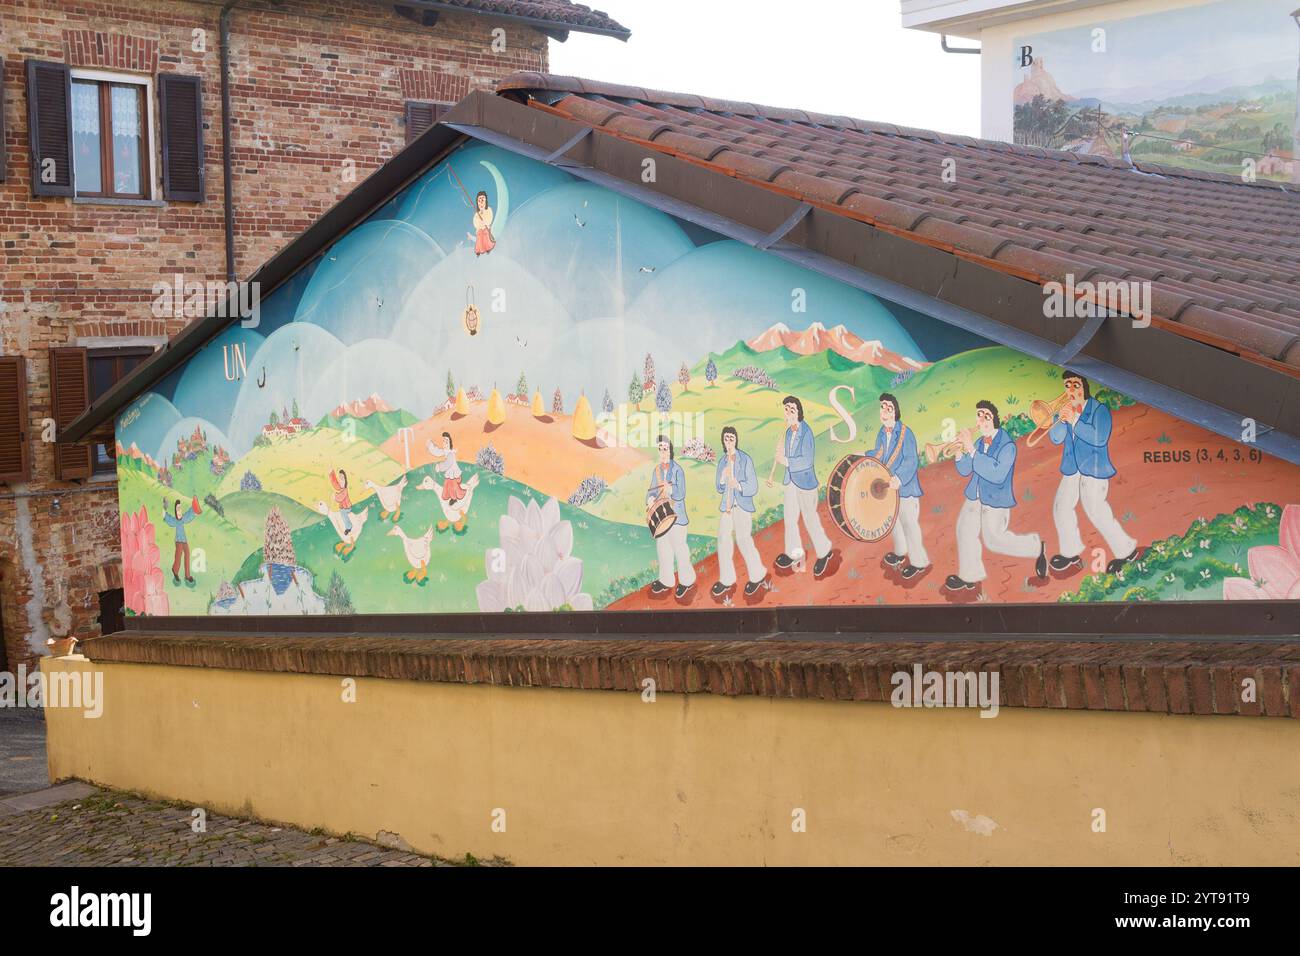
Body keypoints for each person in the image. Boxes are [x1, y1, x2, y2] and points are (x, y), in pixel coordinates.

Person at [946, 400, 1048, 591]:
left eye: (986, 416)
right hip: (975, 495)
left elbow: (996, 474)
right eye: (979, 415)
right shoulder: (978, 442)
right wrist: (960, 453)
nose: (981, 420)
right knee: (964, 530)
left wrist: (971, 449)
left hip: (995, 499)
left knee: (994, 540)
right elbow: (965, 470)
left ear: (995, 419)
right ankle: (969, 575)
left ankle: (1036, 546)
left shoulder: (1007, 445)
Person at [1047, 371, 1139, 574]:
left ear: (1085, 387)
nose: (1071, 389)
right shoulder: (1064, 411)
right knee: (1061, 507)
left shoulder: (1099, 410)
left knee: (1096, 511)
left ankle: (1126, 551)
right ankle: (1069, 552)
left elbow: (1098, 438)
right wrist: (1061, 421)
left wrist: (1075, 421)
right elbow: (1055, 438)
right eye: (1067, 385)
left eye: (1075, 384)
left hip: (1093, 468)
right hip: (1072, 469)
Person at [771, 395, 833, 577]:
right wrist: (782, 455)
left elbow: (806, 460)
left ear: (799, 412)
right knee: (789, 518)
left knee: (809, 518)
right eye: (786, 409)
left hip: (805, 482)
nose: (789, 412)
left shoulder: (806, 432)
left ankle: (824, 551)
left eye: (792, 409)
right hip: (791, 481)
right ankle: (793, 552)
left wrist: (786, 460)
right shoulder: (788, 432)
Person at [873, 393, 930, 580]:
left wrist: (898, 478)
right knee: (895, 523)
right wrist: (864, 454)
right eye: (882, 407)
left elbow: (911, 460)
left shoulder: (906, 433)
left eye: (888, 408)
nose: (884, 411)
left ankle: (919, 562)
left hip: (905, 489)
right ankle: (900, 552)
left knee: (909, 524)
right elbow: (879, 454)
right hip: (890, 490)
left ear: (895, 411)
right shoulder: (881, 433)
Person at [713, 426, 767, 597]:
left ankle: (757, 575)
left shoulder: (745, 459)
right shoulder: (722, 462)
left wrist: (739, 485)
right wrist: (723, 477)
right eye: (726, 438)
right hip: (727, 507)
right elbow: (719, 487)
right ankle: (727, 579)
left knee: (743, 539)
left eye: (731, 438)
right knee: (723, 540)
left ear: (736, 440)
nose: (729, 441)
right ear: (723, 441)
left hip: (742, 505)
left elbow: (753, 486)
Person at [646, 435, 696, 599]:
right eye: (660, 449)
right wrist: (650, 498)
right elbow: (651, 490)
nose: (662, 452)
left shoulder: (677, 470)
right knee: (663, 549)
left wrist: (671, 490)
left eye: (665, 448)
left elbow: (681, 493)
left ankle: (687, 581)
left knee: (680, 549)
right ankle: (666, 580)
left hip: (677, 517)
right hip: (663, 518)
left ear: (671, 450)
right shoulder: (657, 470)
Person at [162, 496, 199, 585]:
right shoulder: (175, 521)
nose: (179, 512)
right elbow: (167, 518)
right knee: (178, 555)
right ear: (175, 511)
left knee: (187, 554)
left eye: (180, 509)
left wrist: (194, 510)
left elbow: (189, 515)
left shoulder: (183, 519)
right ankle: (175, 570)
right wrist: (164, 508)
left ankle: (187, 575)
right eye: (177, 510)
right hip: (179, 541)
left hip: (184, 540)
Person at [427, 433, 465, 503]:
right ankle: (449, 496)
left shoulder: (450, 453)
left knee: (452, 486)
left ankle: (454, 498)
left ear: (450, 443)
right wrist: (430, 446)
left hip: (453, 473)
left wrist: (439, 467)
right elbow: (437, 452)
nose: (444, 443)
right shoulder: (445, 451)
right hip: (449, 473)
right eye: (443, 441)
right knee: (447, 484)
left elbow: (448, 463)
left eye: (446, 442)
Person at [329, 468, 353, 534]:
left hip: (347, 507)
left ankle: (349, 527)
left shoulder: (345, 489)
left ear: (345, 478)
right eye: (339, 477)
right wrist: (331, 473)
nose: (340, 479)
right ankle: (348, 527)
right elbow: (335, 483)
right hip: (342, 507)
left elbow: (340, 497)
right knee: (342, 512)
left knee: (343, 514)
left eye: (342, 477)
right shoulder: (340, 486)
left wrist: (335, 496)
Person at [472, 191, 495, 256]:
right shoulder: (477, 214)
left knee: (485, 233)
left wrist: (485, 222)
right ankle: (479, 250)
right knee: (479, 235)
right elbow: (475, 222)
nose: (481, 202)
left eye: (482, 199)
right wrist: (479, 224)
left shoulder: (488, 210)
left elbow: (489, 218)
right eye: (479, 200)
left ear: (485, 201)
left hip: (486, 227)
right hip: (480, 228)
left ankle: (488, 247)